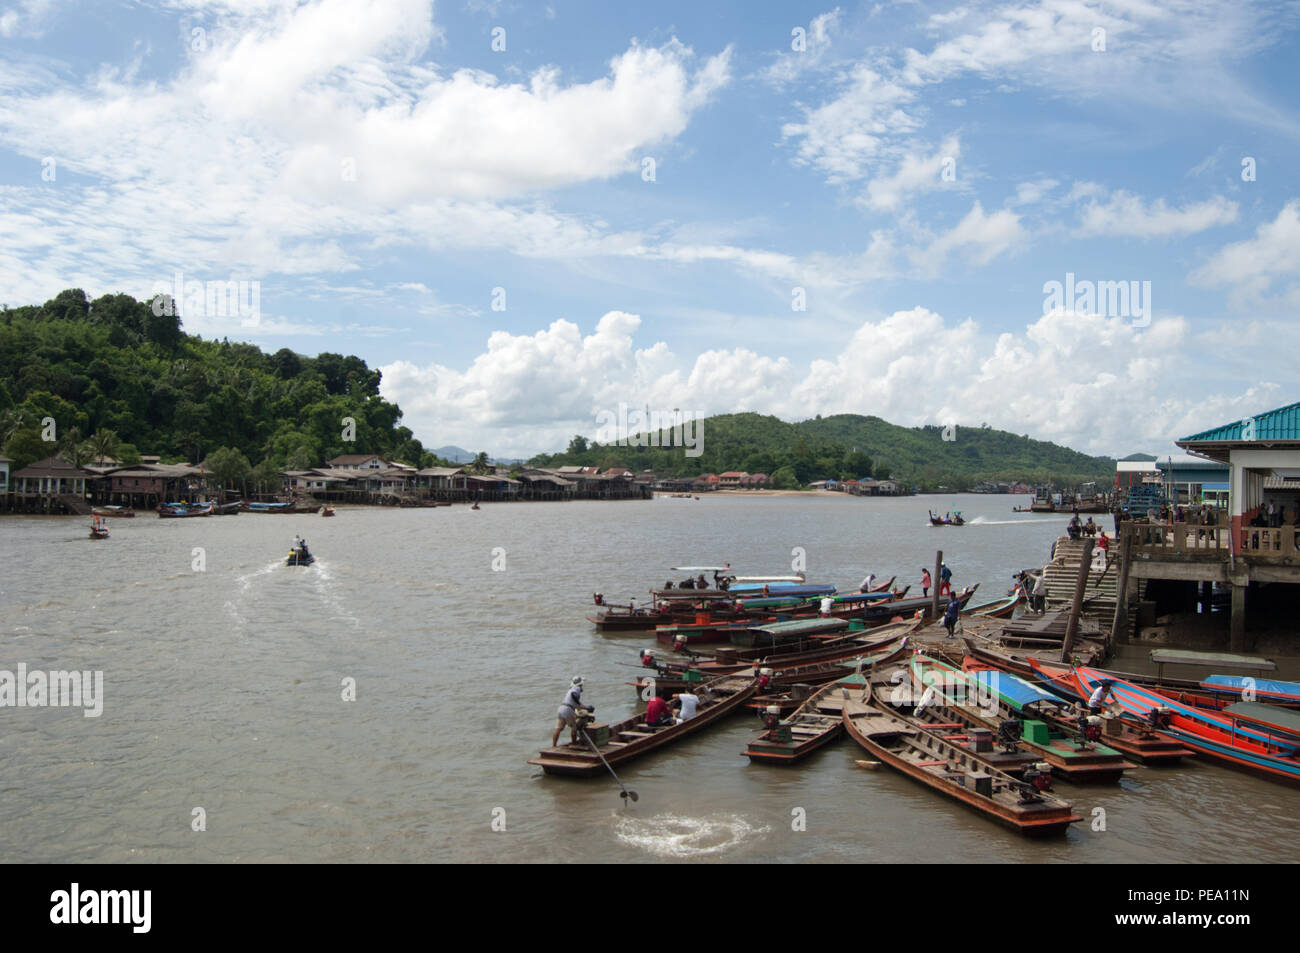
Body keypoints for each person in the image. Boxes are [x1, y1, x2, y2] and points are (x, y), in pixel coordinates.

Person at [552, 676, 593, 747]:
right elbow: (576, 701)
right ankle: (574, 743)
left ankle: (554, 745)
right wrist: (587, 708)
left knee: (558, 728)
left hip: (561, 708)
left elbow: (575, 705)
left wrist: (577, 711)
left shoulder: (570, 690)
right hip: (567, 709)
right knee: (574, 728)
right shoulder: (576, 689)